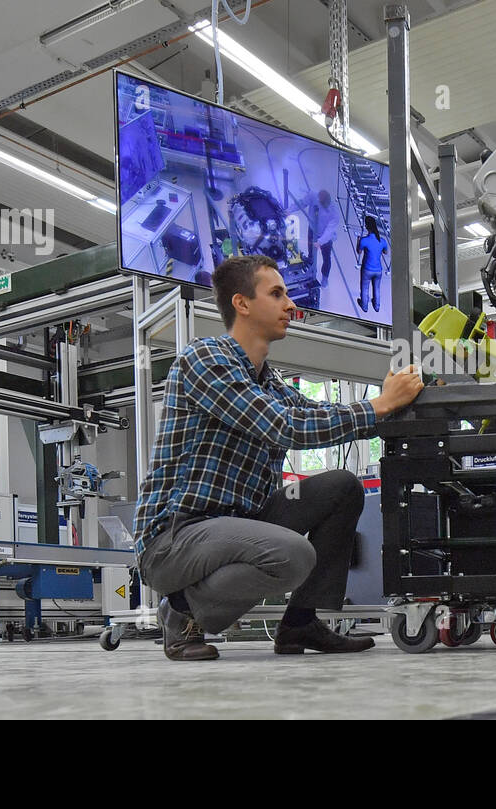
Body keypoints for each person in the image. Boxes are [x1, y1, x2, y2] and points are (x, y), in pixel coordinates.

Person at [133, 254, 425, 660]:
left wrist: (402, 404)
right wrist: (378, 405)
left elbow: (315, 414)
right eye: (277, 293)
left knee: (341, 487)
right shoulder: (205, 361)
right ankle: (180, 614)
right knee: (292, 554)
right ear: (242, 304)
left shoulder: (268, 380)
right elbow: (286, 427)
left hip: (238, 525)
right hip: (175, 538)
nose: (290, 304)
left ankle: (299, 624)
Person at [355, 215, 390, 313]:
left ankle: (365, 306)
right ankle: (377, 306)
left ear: (366, 226)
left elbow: (359, 251)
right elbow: (386, 252)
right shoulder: (382, 241)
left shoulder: (364, 240)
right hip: (378, 270)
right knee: (377, 288)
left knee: (365, 287)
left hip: (367, 269)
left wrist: (358, 240)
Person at [309, 189, 340, 287]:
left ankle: (325, 278)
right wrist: (289, 210)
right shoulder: (313, 196)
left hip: (325, 237)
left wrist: (320, 241)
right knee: (311, 255)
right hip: (312, 230)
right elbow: (302, 203)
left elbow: (329, 230)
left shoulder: (334, 212)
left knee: (326, 258)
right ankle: (311, 273)